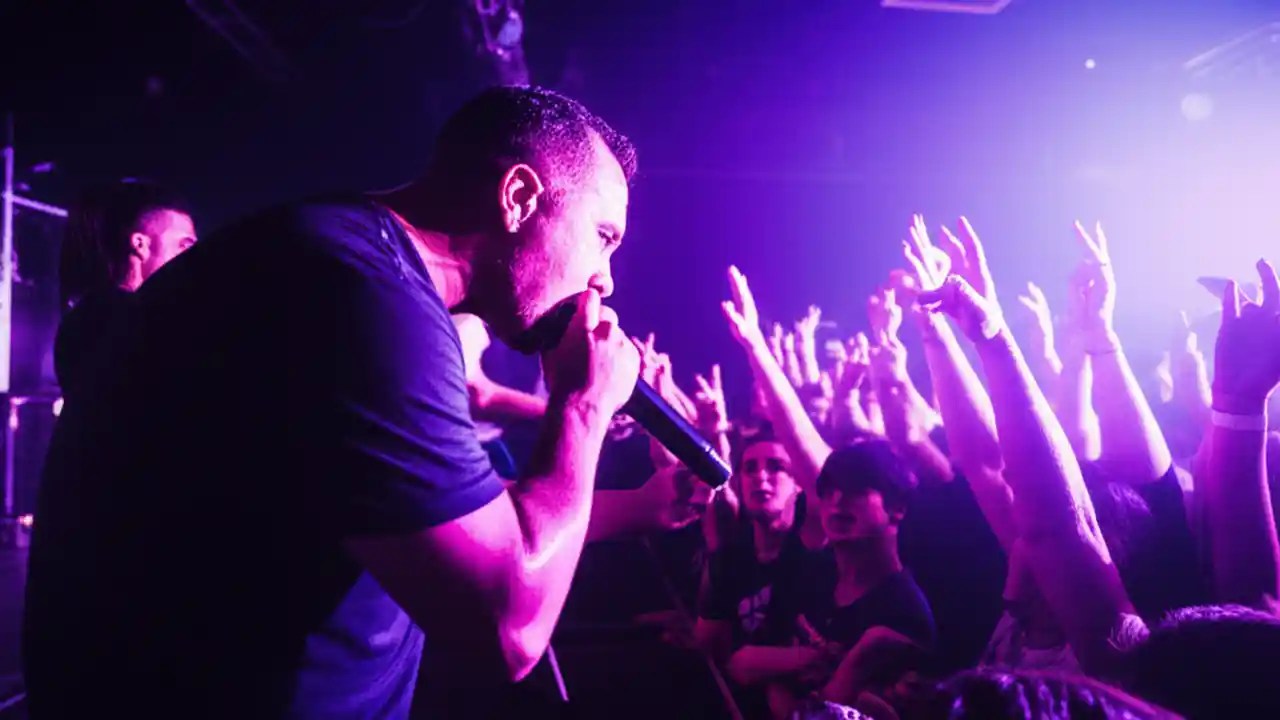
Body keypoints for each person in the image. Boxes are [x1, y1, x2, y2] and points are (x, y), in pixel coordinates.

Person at [23, 86, 641, 719]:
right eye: (603, 235)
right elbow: (508, 630)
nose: (607, 278)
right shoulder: (367, 296)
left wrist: (637, 498)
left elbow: (450, 519)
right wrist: (583, 406)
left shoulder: (339, 256)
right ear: (519, 199)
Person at [52, 179, 196, 399]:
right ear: (140, 244)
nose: (192, 257)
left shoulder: (89, 313)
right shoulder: (131, 317)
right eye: (183, 245)